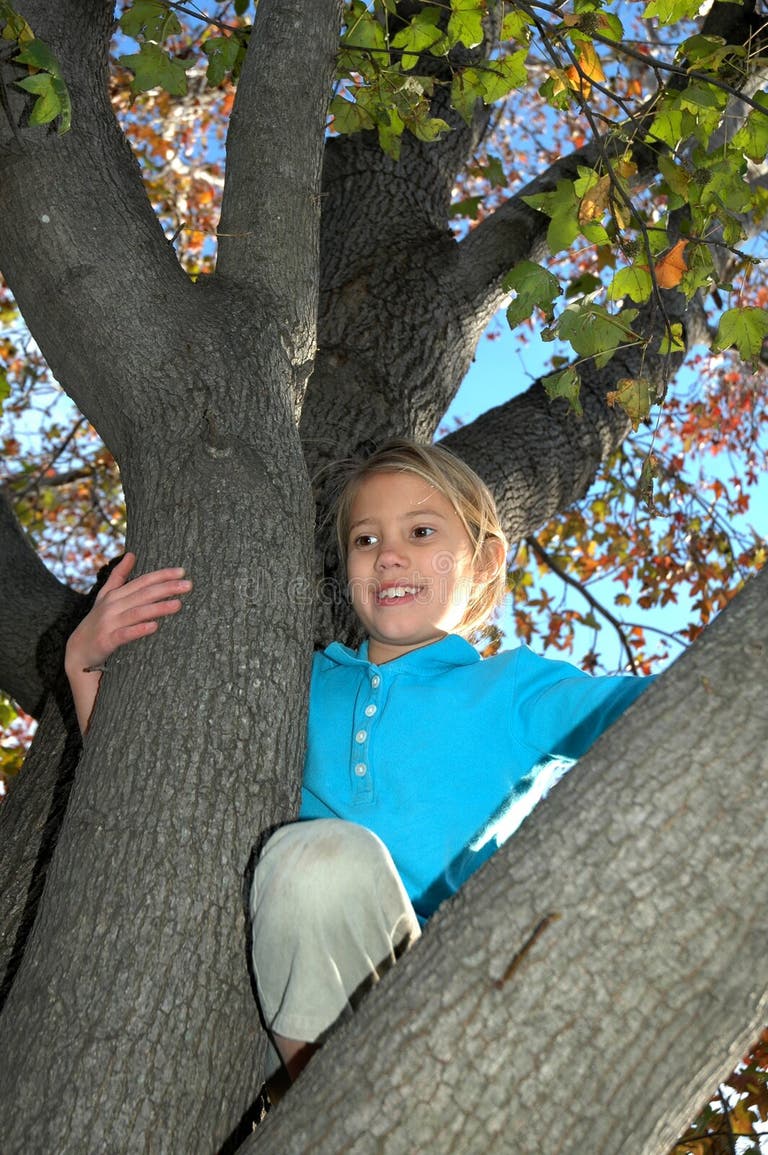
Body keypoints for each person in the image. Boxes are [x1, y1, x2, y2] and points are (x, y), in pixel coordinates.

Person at [64, 439, 654, 1096]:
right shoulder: (298, 680)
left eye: (421, 531)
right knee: (312, 864)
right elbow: (157, 791)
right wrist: (85, 664)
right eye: (366, 540)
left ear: (486, 561)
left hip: (434, 989)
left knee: (325, 863)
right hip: (271, 992)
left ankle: (334, 1110)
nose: (390, 554)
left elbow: (661, 704)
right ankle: (311, 1098)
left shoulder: (515, 688)